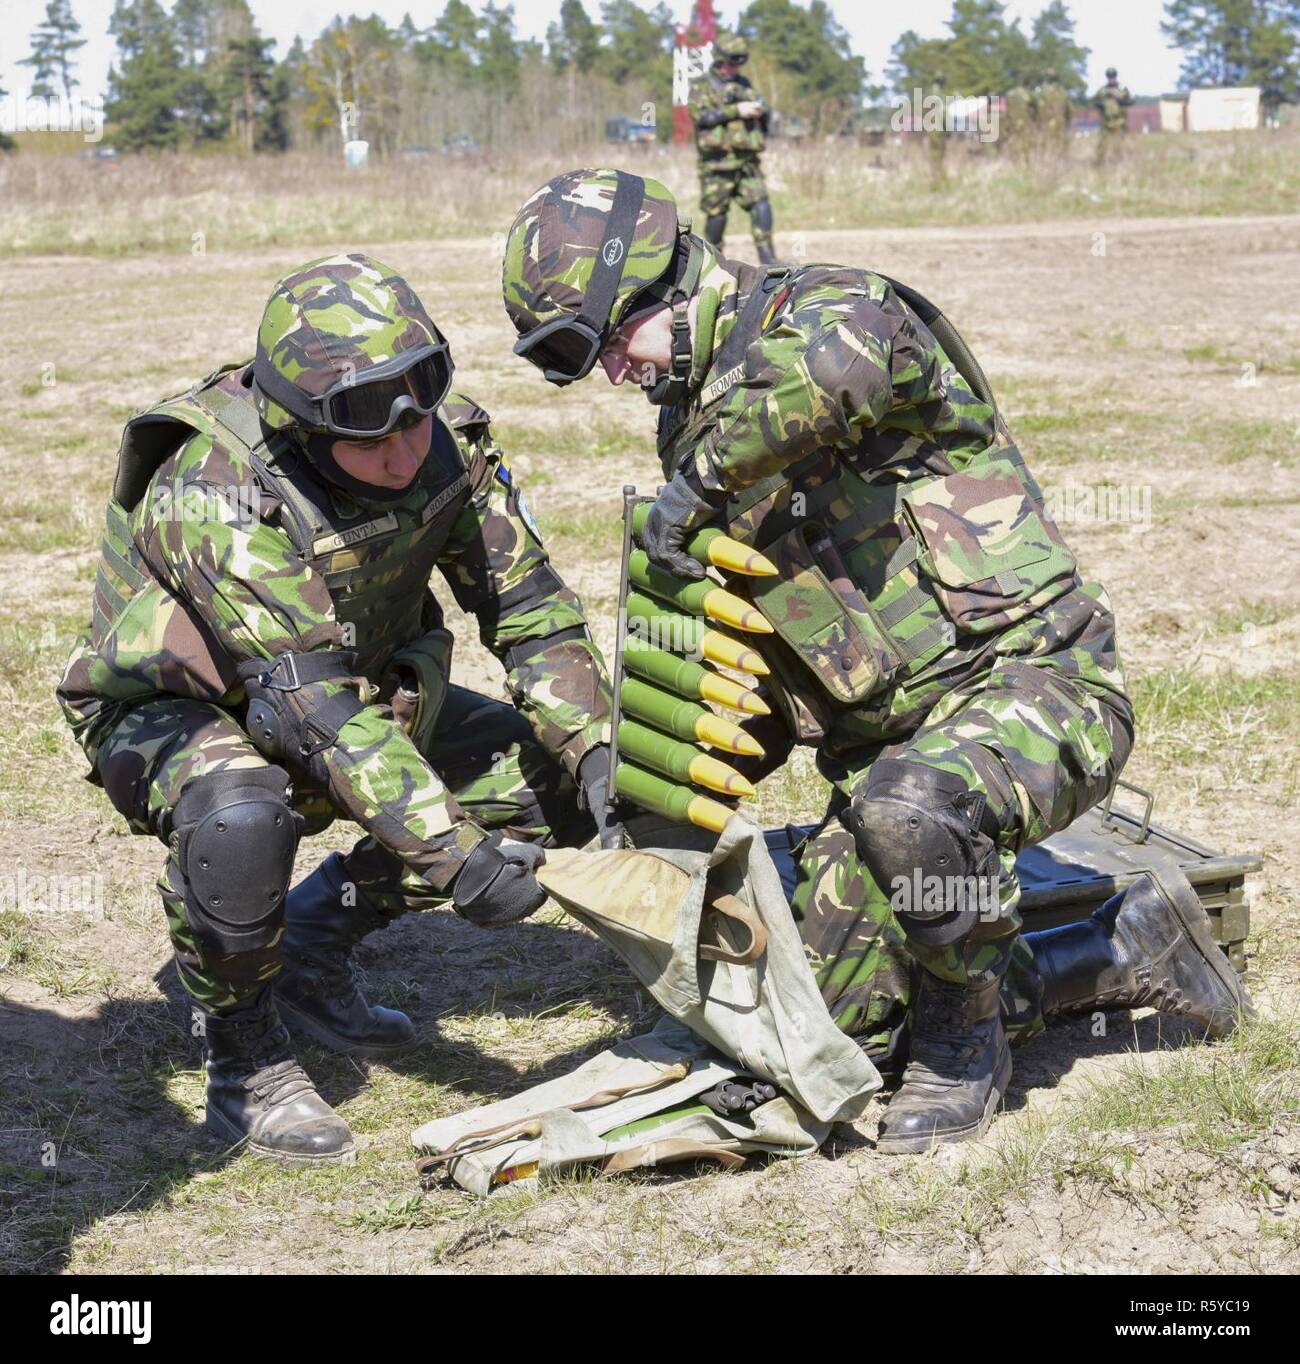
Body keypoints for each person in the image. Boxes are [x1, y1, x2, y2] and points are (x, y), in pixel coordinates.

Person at [500, 168, 1253, 1152]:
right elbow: (780, 632)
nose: (612, 372)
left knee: (912, 813)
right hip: (888, 749)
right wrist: (663, 781)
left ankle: (965, 1040)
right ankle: (1111, 948)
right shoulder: (693, 423)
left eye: (610, 340)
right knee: (804, 1015)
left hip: (1036, 688)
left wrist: (693, 490)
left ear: (665, 285)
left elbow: (825, 376)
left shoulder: (836, 311)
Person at [57, 252, 615, 1165]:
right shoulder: (219, 489)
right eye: (370, 437)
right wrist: (457, 858)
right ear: (302, 427)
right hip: (185, 715)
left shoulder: (448, 446)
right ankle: (246, 1061)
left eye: (417, 416)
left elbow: (529, 609)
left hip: (353, 695)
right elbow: (305, 710)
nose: (405, 453)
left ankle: (315, 940)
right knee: (241, 814)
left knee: (554, 779)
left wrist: (595, 754)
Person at [688, 31, 776, 264]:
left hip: (746, 160)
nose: (733, 69)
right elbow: (701, 117)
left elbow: (763, 109)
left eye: (737, 64)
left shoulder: (744, 84)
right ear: (719, 61)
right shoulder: (701, 86)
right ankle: (712, 261)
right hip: (717, 163)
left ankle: (768, 258)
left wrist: (760, 110)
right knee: (717, 214)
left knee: (761, 203)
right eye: (729, 64)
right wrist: (736, 110)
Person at [1092, 66, 1133, 165]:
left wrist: (1121, 101)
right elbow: (1095, 101)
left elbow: (1130, 101)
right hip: (1106, 122)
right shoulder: (1102, 90)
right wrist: (1101, 105)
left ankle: (1117, 162)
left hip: (1119, 122)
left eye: (1113, 76)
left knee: (1118, 144)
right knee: (1102, 144)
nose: (1111, 79)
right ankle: (1099, 163)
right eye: (1109, 77)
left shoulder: (1122, 89)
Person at [1032, 67, 1072, 159]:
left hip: (1046, 121)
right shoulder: (1063, 91)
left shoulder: (1041, 90)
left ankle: (1048, 160)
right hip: (1058, 122)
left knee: (1046, 144)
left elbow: (1035, 106)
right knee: (1058, 144)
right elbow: (1069, 109)